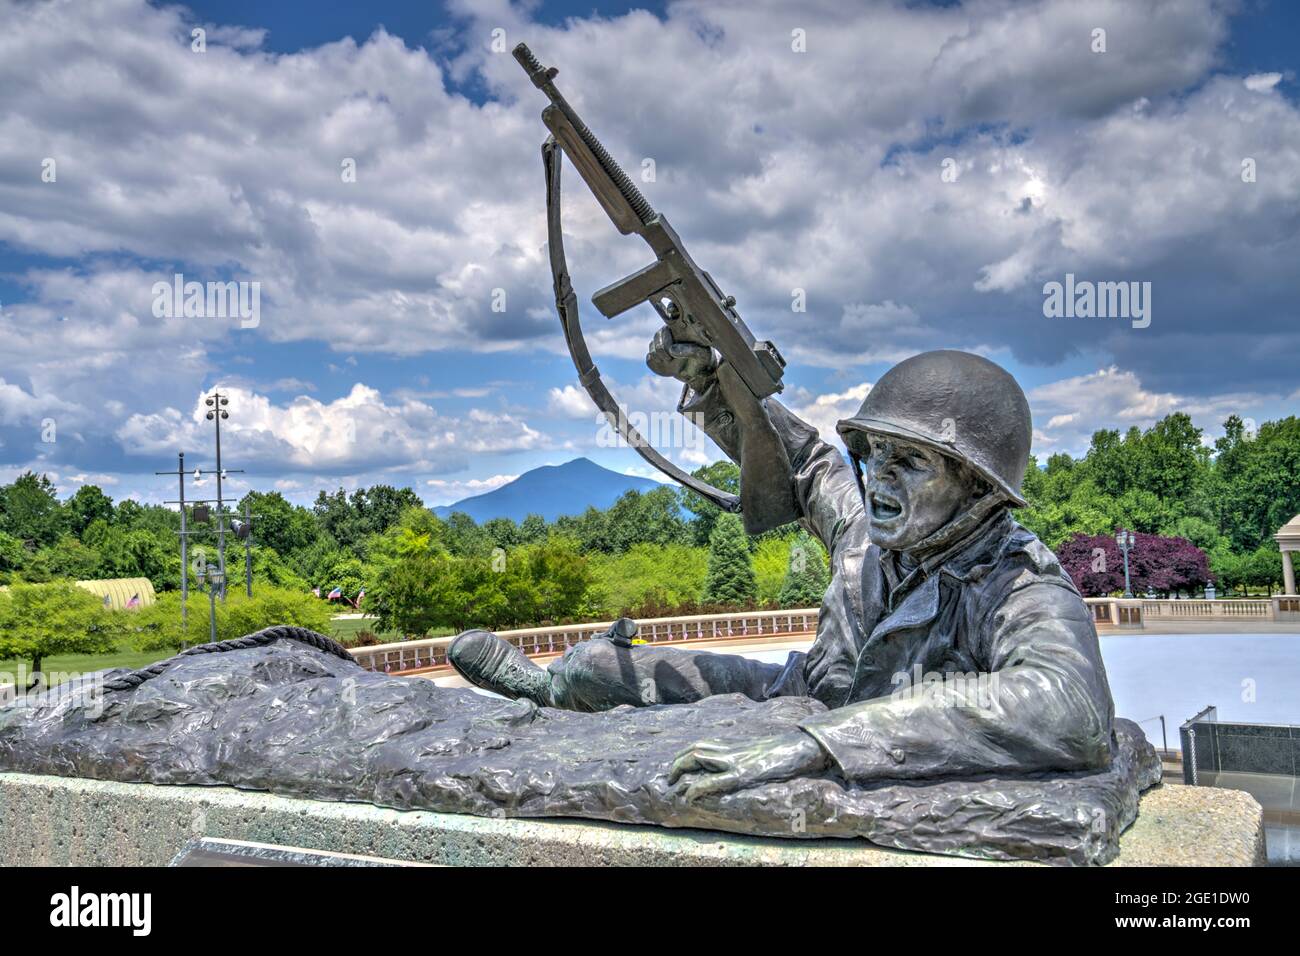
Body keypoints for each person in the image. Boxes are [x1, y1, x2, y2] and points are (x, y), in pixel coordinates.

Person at [450, 336, 1115, 801]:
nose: (877, 478)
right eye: (874, 453)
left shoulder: (1018, 582)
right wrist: (712, 378)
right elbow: (802, 463)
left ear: (976, 486)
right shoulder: (869, 524)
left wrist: (819, 743)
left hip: (839, 724)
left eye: (907, 462)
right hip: (796, 691)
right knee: (599, 667)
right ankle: (547, 694)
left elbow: (1070, 709)